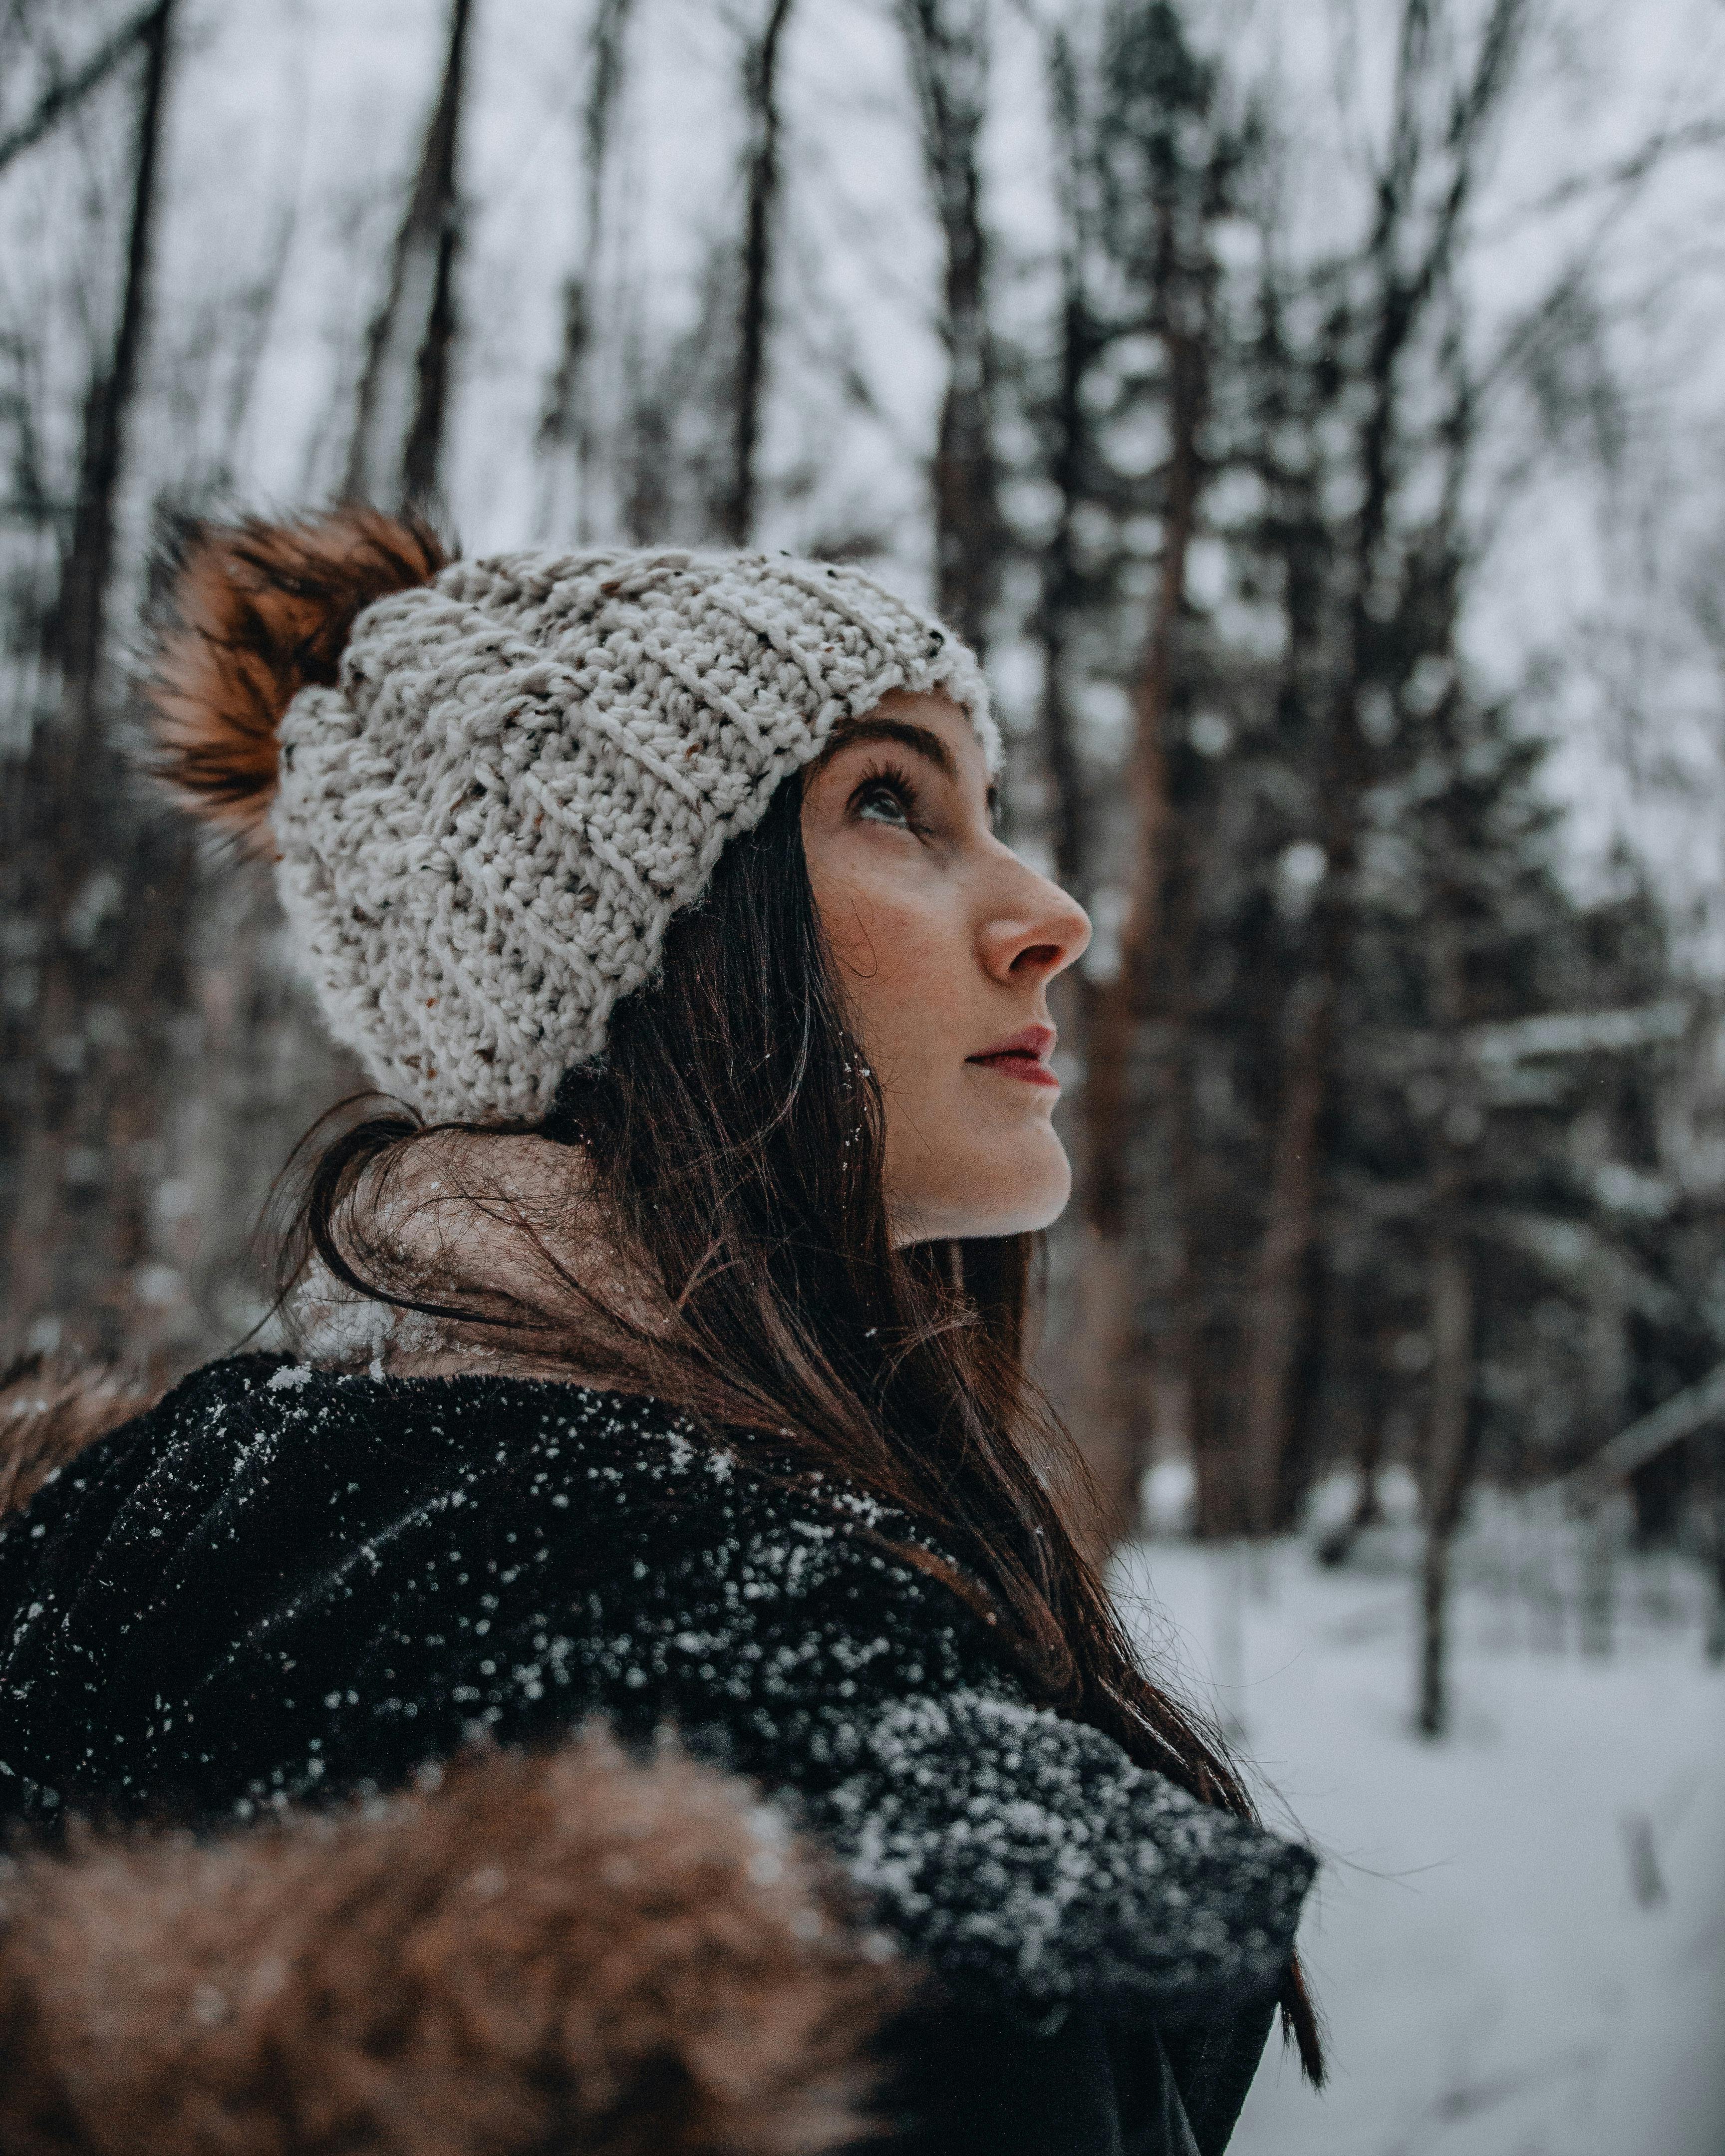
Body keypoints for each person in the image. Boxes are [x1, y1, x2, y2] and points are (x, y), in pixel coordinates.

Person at [0, 512, 1321, 2154]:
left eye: (992, 814)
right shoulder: (758, 1670)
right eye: (891, 802)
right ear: (638, 952)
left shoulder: (136, 1527)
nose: (1051, 911)